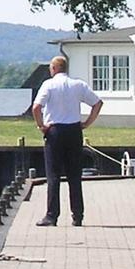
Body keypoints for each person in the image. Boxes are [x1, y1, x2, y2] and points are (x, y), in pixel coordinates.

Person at [32, 55, 103, 227]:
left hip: (55, 131)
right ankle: (77, 215)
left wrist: (41, 126)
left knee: (53, 175)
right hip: (74, 131)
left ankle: (52, 215)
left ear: (54, 68)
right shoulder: (78, 85)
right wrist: (87, 123)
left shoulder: (49, 85)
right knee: (74, 175)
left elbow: (36, 107)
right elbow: (97, 103)